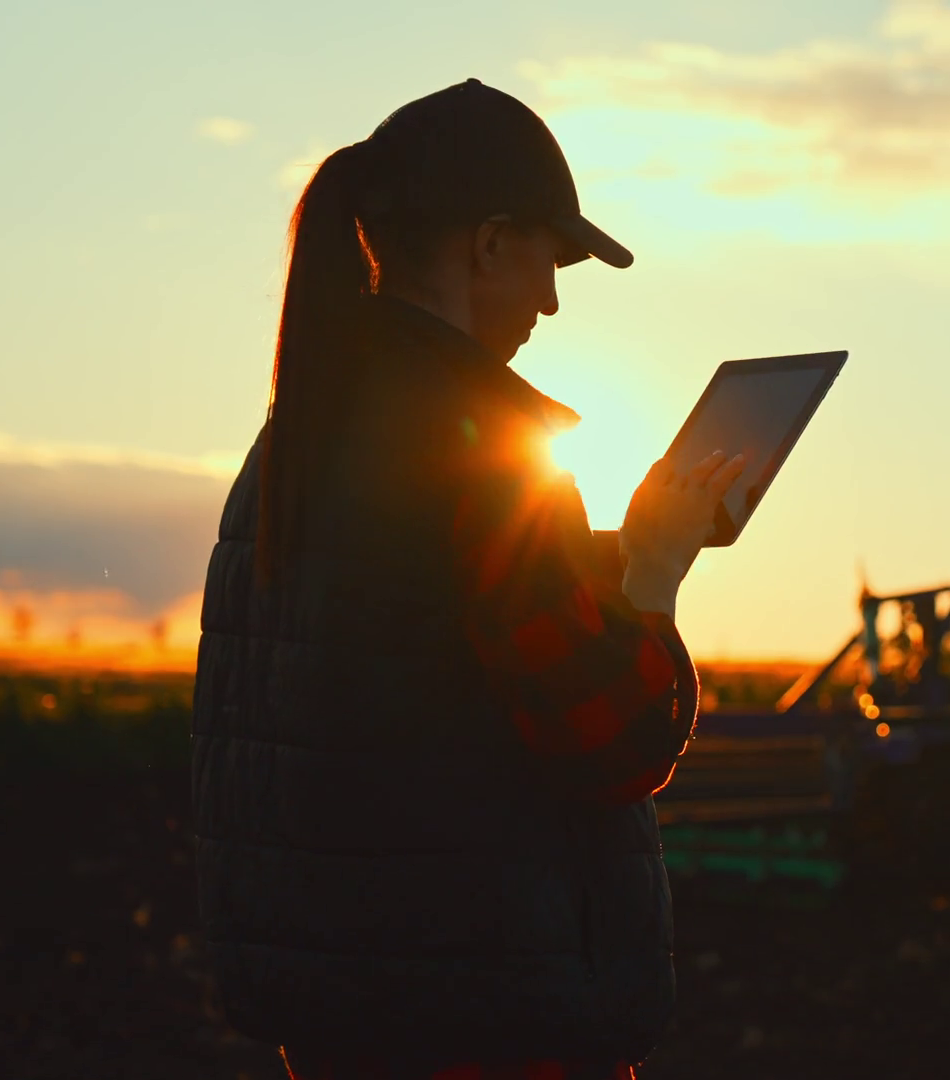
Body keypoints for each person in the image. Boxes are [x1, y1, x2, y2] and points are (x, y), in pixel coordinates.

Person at [191, 79, 744, 1080]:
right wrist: (657, 569)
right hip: (491, 1025)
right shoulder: (484, 451)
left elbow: (407, 665)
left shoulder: (286, 450)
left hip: (340, 1035)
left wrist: (596, 558)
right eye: (549, 257)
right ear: (489, 243)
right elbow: (615, 739)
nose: (553, 298)